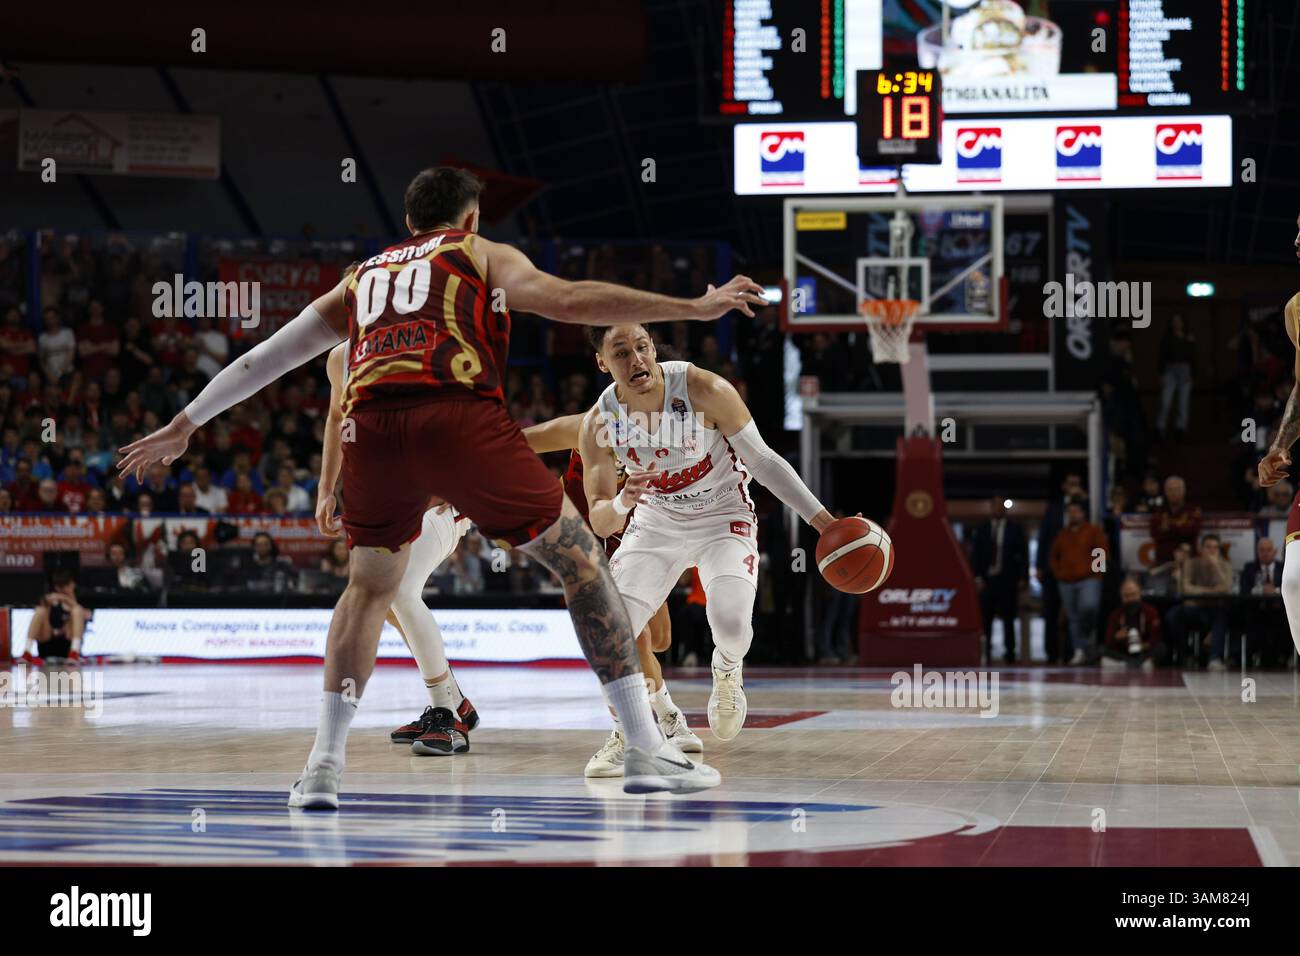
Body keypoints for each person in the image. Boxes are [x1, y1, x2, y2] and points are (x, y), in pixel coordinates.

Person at [117, 166, 767, 807]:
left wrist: (184, 423)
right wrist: (694, 307)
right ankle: (642, 747)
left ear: (407, 223)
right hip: (456, 417)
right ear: (471, 218)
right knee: (580, 562)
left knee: (369, 588)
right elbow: (569, 301)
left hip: (370, 432)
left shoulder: (362, 278)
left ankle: (323, 766)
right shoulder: (476, 251)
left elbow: (270, 356)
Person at [571, 322, 843, 773]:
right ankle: (628, 731)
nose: (636, 359)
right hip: (655, 522)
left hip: (723, 515)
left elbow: (762, 460)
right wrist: (622, 500)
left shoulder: (701, 387)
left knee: (732, 622)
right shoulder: (600, 422)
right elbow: (600, 514)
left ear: (653, 347)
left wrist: (823, 521)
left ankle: (727, 668)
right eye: (621, 353)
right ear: (602, 362)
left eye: (642, 347)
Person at [316, 340, 479, 757]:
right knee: (383, 599)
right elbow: (337, 421)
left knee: (400, 590)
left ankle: (448, 715)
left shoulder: (425, 344)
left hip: (439, 490)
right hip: (383, 496)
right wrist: (325, 489)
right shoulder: (340, 358)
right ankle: (453, 699)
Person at [521, 409, 703, 774]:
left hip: (638, 544)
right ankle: (641, 728)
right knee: (628, 635)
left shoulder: (664, 439)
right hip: (588, 548)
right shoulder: (587, 426)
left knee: (659, 640)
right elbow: (518, 442)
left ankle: (665, 712)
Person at [1049, 497, 1108, 665]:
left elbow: (1101, 553)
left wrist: (1096, 574)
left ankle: (1087, 645)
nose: (1073, 515)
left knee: (1089, 608)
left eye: (1076, 511)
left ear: (1083, 513)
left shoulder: (1093, 531)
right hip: (1066, 581)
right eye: (1070, 512)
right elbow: (1053, 556)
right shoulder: (1062, 534)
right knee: (1073, 618)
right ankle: (1080, 650)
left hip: (1089, 579)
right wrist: (1058, 573)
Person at [969, 495, 1028, 664]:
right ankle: (985, 652)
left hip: (1007, 580)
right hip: (987, 580)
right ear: (991, 508)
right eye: (995, 506)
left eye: (1001, 506)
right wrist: (978, 578)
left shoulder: (1015, 529)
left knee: (1008, 618)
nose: (998, 509)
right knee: (985, 618)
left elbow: (1023, 555)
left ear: (1005, 508)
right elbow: (976, 556)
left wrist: (1023, 577)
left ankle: (1010, 653)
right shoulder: (982, 529)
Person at [1164, 534, 1234, 670]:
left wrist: (1216, 566)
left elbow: (1226, 588)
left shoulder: (1225, 565)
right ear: (1201, 549)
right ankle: (1187, 654)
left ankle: (1214, 659)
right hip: (1193, 608)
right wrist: (1211, 591)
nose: (1212, 551)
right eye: (1208, 547)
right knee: (1172, 616)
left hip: (1215, 609)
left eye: (1215, 548)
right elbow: (1185, 589)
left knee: (1223, 615)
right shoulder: (1191, 563)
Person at [1035, 472, 1085, 664]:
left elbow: (1099, 545)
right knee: (1051, 611)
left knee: (1074, 613)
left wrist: (1099, 571)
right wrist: (1039, 565)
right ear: (1064, 486)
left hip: (1078, 573)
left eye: (1077, 483)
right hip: (1052, 570)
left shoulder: (1086, 506)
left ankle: (1072, 653)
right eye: (1071, 483)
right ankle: (1051, 654)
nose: (1074, 487)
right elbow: (1043, 536)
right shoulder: (1054, 508)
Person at [19, 571, 87, 664]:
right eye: (61, 586)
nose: (65, 589)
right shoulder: (52, 599)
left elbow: (84, 613)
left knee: (77, 611)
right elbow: (42, 605)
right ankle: (27, 652)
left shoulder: (80, 599)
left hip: (68, 643)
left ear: (73, 584)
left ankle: (74, 653)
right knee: (40, 610)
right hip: (48, 641)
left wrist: (65, 599)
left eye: (67, 585)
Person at [1239, 537, 1287, 667]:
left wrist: (1275, 590)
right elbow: (1244, 589)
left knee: (1285, 621)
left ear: (1275, 551)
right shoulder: (1249, 568)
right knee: (1248, 619)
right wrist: (1260, 590)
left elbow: (1290, 588)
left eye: (1268, 550)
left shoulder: (1283, 567)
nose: (1265, 553)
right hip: (1256, 611)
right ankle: (1250, 657)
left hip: (1279, 612)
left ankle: (1281, 657)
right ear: (1257, 552)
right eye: (1261, 550)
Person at [1100, 577, 1163, 671]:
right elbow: (1108, 642)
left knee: (1161, 648)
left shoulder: (1150, 612)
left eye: (1133, 595)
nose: (1130, 599)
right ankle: (1133, 664)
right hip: (1124, 652)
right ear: (1121, 597)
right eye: (1126, 596)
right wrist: (1117, 637)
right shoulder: (1116, 615)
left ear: (1140, 594)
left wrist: (1141, 646)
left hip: (1143, 651)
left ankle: (1135, 664)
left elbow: (1155, 639)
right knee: (1102, 650)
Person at [1156, 312, 1195, 440]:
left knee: (1183, 402)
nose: (1177, 323)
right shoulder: (1167, 339)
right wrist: (1161, 374)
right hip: (1170, 369)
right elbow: (1161, 357)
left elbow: (1194, 358)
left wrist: (1192, 374)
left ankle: (1181, 429)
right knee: (1165, 401)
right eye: (1174, 321)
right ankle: (1160, 428)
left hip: (1185, 370)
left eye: (1179, 321)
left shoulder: (1188, 338)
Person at [1150, 475, 1202, 563]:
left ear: (1183, 491)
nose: (1174, 492)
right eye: (1170, 489)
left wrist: (1168, 528)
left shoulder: (1193, 510)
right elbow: (1154, 533)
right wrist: (1180, 526)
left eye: (1177, 489)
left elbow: (1193, 531)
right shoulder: (1158, 511)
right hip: (1163, 561)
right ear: (1165, 492)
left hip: (1188, 562)